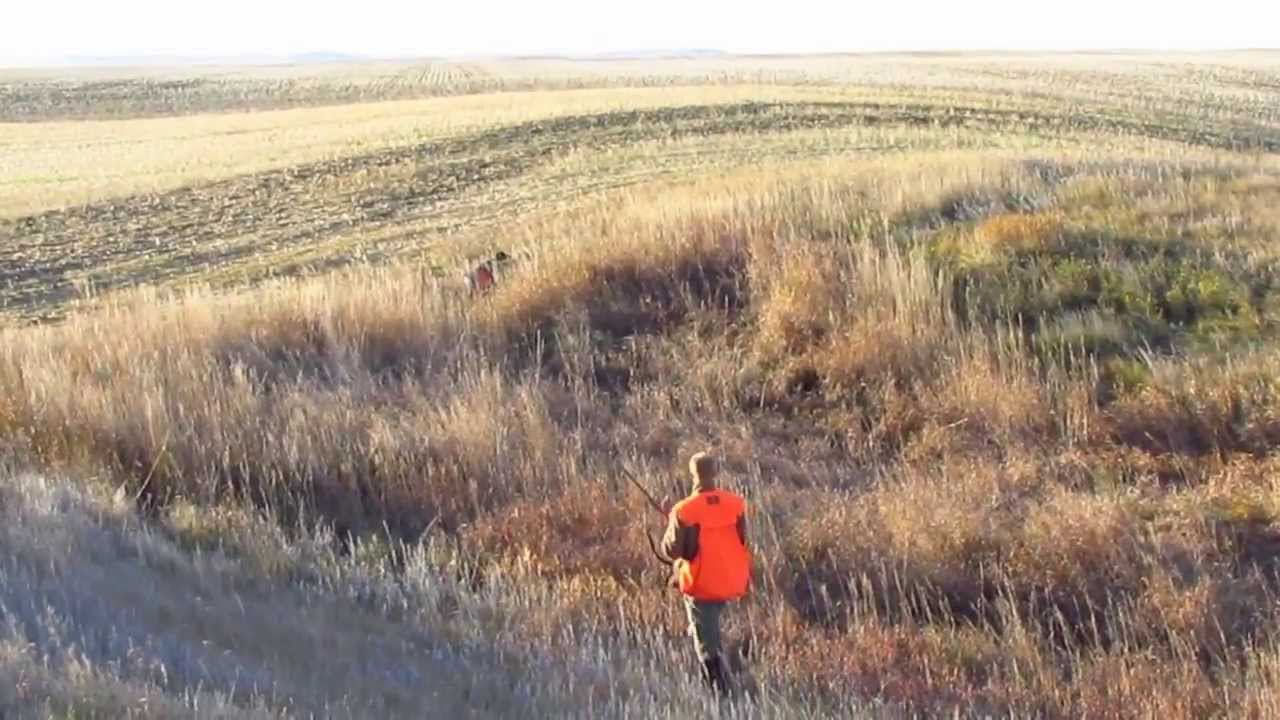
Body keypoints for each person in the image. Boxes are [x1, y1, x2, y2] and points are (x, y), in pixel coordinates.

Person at [661, 451, 751, 695]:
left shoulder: (684, 510)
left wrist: (670, 522)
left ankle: (719, 691)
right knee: (719, 626)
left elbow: (671, 551)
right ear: (716, 472)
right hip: (733, 580)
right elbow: (742, 538)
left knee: (707, 644)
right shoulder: (736, 504)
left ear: (693, 474)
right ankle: (736, 664)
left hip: (703, 585)